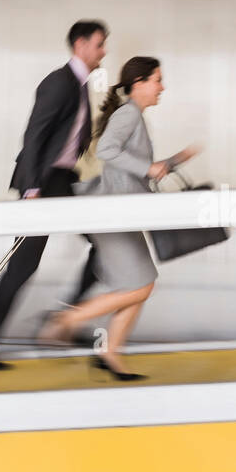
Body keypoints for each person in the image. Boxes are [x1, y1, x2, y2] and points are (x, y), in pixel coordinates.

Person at [36, 56, 201, 380]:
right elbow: (107, 150)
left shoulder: (134, 115)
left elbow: (139, 171)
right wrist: (149, 167)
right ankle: (64, 321)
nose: (162, 87)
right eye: (157, 80)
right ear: (139, 83)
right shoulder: (128, 114)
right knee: (138, 287)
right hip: (112, 213)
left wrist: (176, 159)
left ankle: (110, 353)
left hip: (124, 213)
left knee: (141, 283)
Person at [0, 20, 108, 371]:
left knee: (105, 246)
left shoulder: (79, 86)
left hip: (62, 182)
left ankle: (64, 320)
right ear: (80, 45)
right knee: (23, 265)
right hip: (42, 185)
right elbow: (33, 136)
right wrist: (31, 189)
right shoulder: (59, 82)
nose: (103, 52)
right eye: (99, 44)